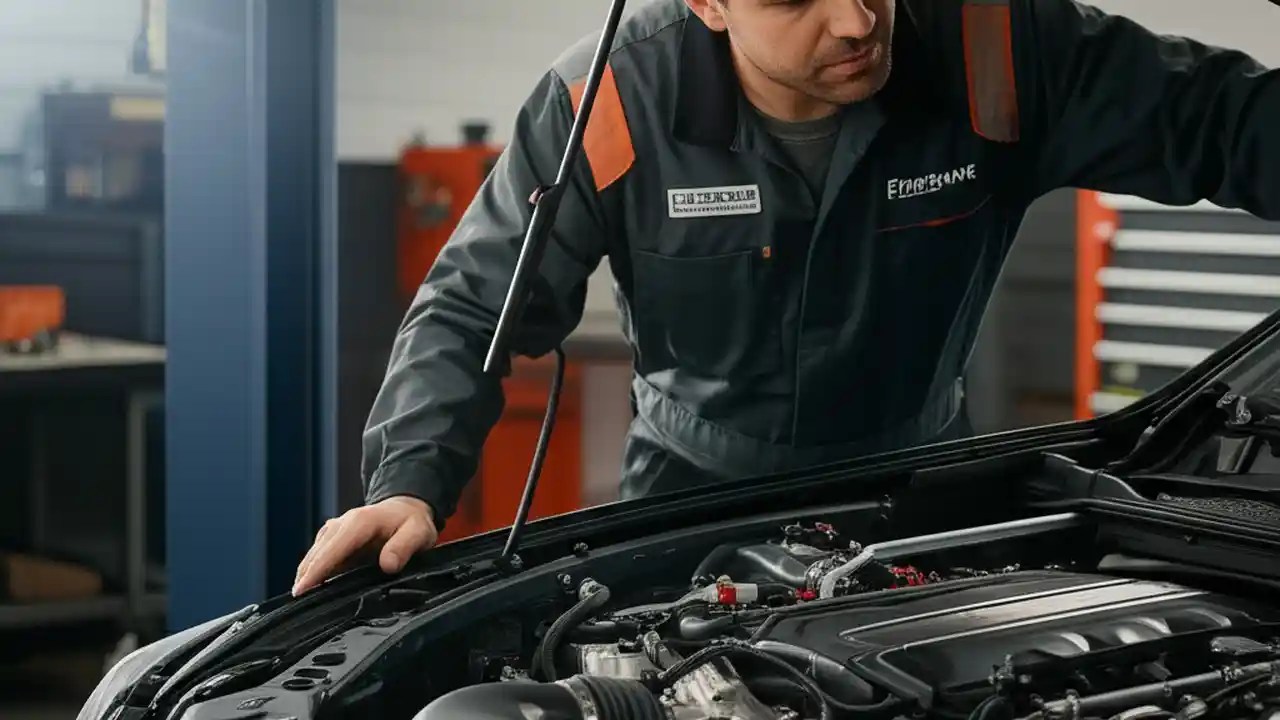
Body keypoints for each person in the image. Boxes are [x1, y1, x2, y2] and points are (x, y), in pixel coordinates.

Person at [293, 0, 1280, 596]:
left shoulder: (998, 50)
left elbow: (1226, 118)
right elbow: (474, 303)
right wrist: (407, 483)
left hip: (927, 491)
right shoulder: (610, 101)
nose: (856, 20)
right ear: (708, 5)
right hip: (687, 503)